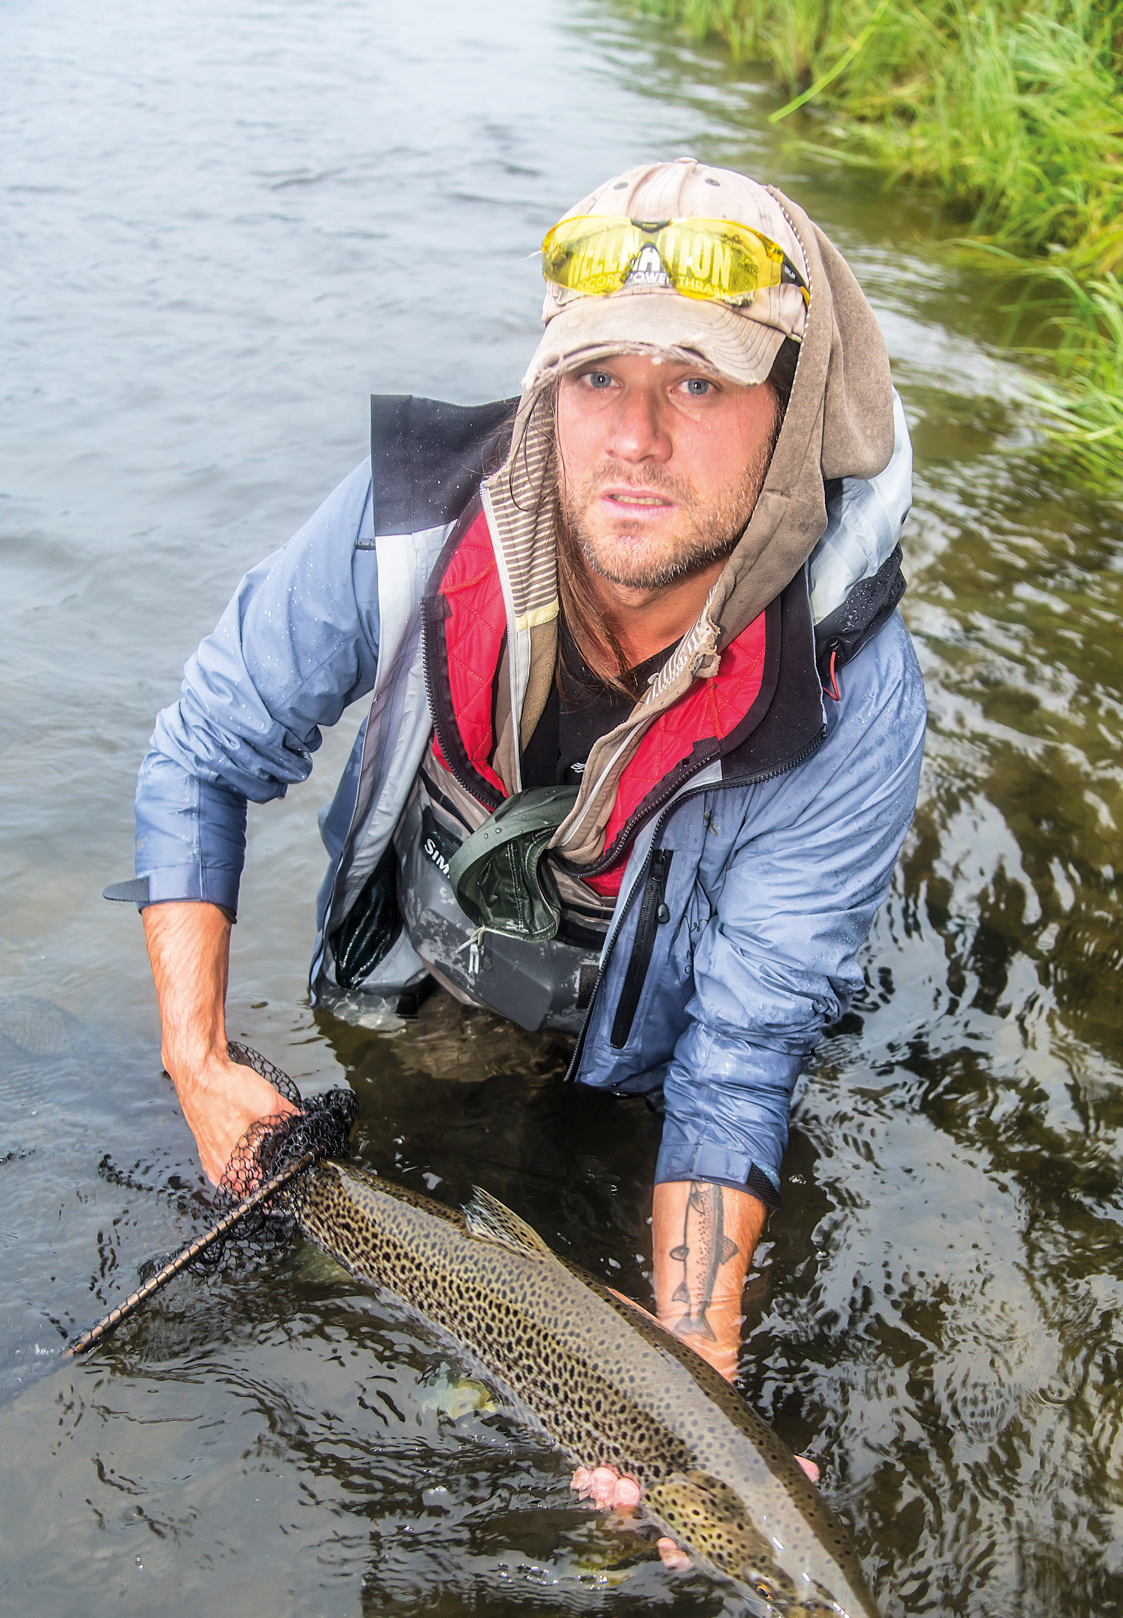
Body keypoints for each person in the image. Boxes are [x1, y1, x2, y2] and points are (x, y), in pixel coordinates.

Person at [115, 158, 926, 1397]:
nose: (634, 440)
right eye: (596, 377)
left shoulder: (850, 694)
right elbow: (201, 755)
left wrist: (693, 1353)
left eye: (695, 383)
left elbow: (743, 1044)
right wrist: (198, 1059)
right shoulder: (409, 524)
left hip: (649, 1041)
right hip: (429, 964)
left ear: (795, 410)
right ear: (550, 383)